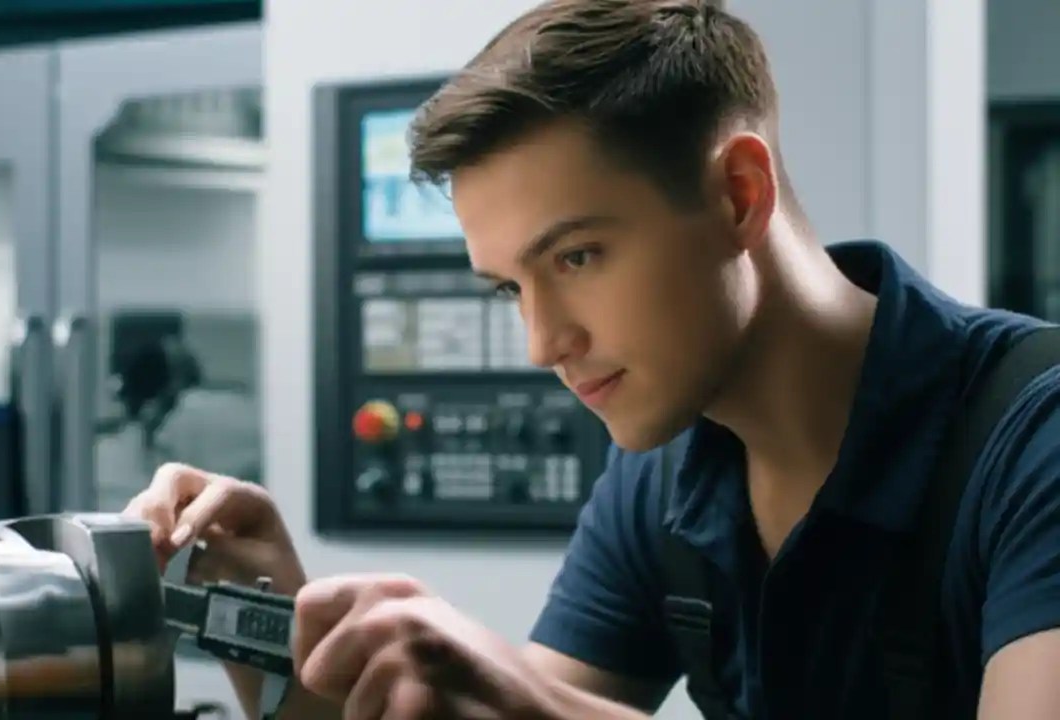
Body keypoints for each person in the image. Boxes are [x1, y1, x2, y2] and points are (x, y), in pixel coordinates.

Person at [123, 1, 1060, 718]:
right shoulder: (661, 473)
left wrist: (538, 705)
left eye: (576, 257)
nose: (543, 343)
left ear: (739, 194)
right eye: (510, 288)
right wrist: (283, 634)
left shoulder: (1034, 445)